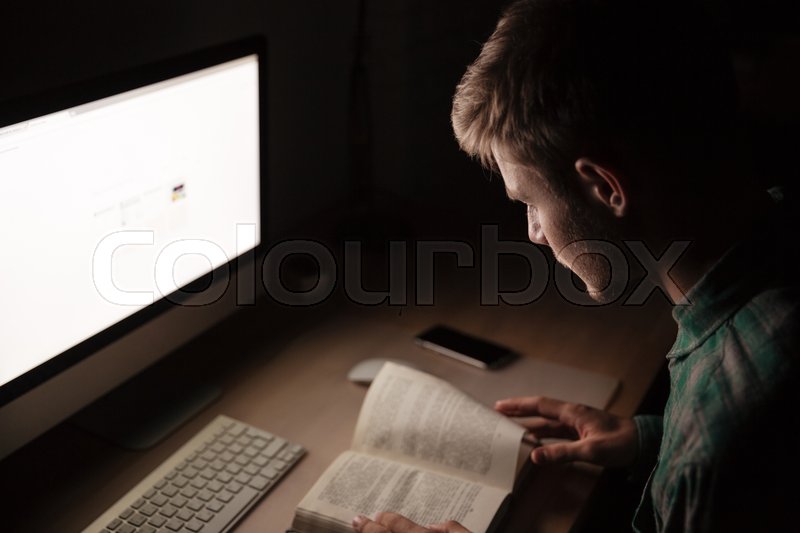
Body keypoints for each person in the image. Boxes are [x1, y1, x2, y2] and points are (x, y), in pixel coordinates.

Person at [353, 0, 800, 531]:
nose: (533, 233)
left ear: (606, 187)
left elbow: (723, 461)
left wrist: (687, 461)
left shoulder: (716, 451)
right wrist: (654, 440)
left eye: (529, 202)